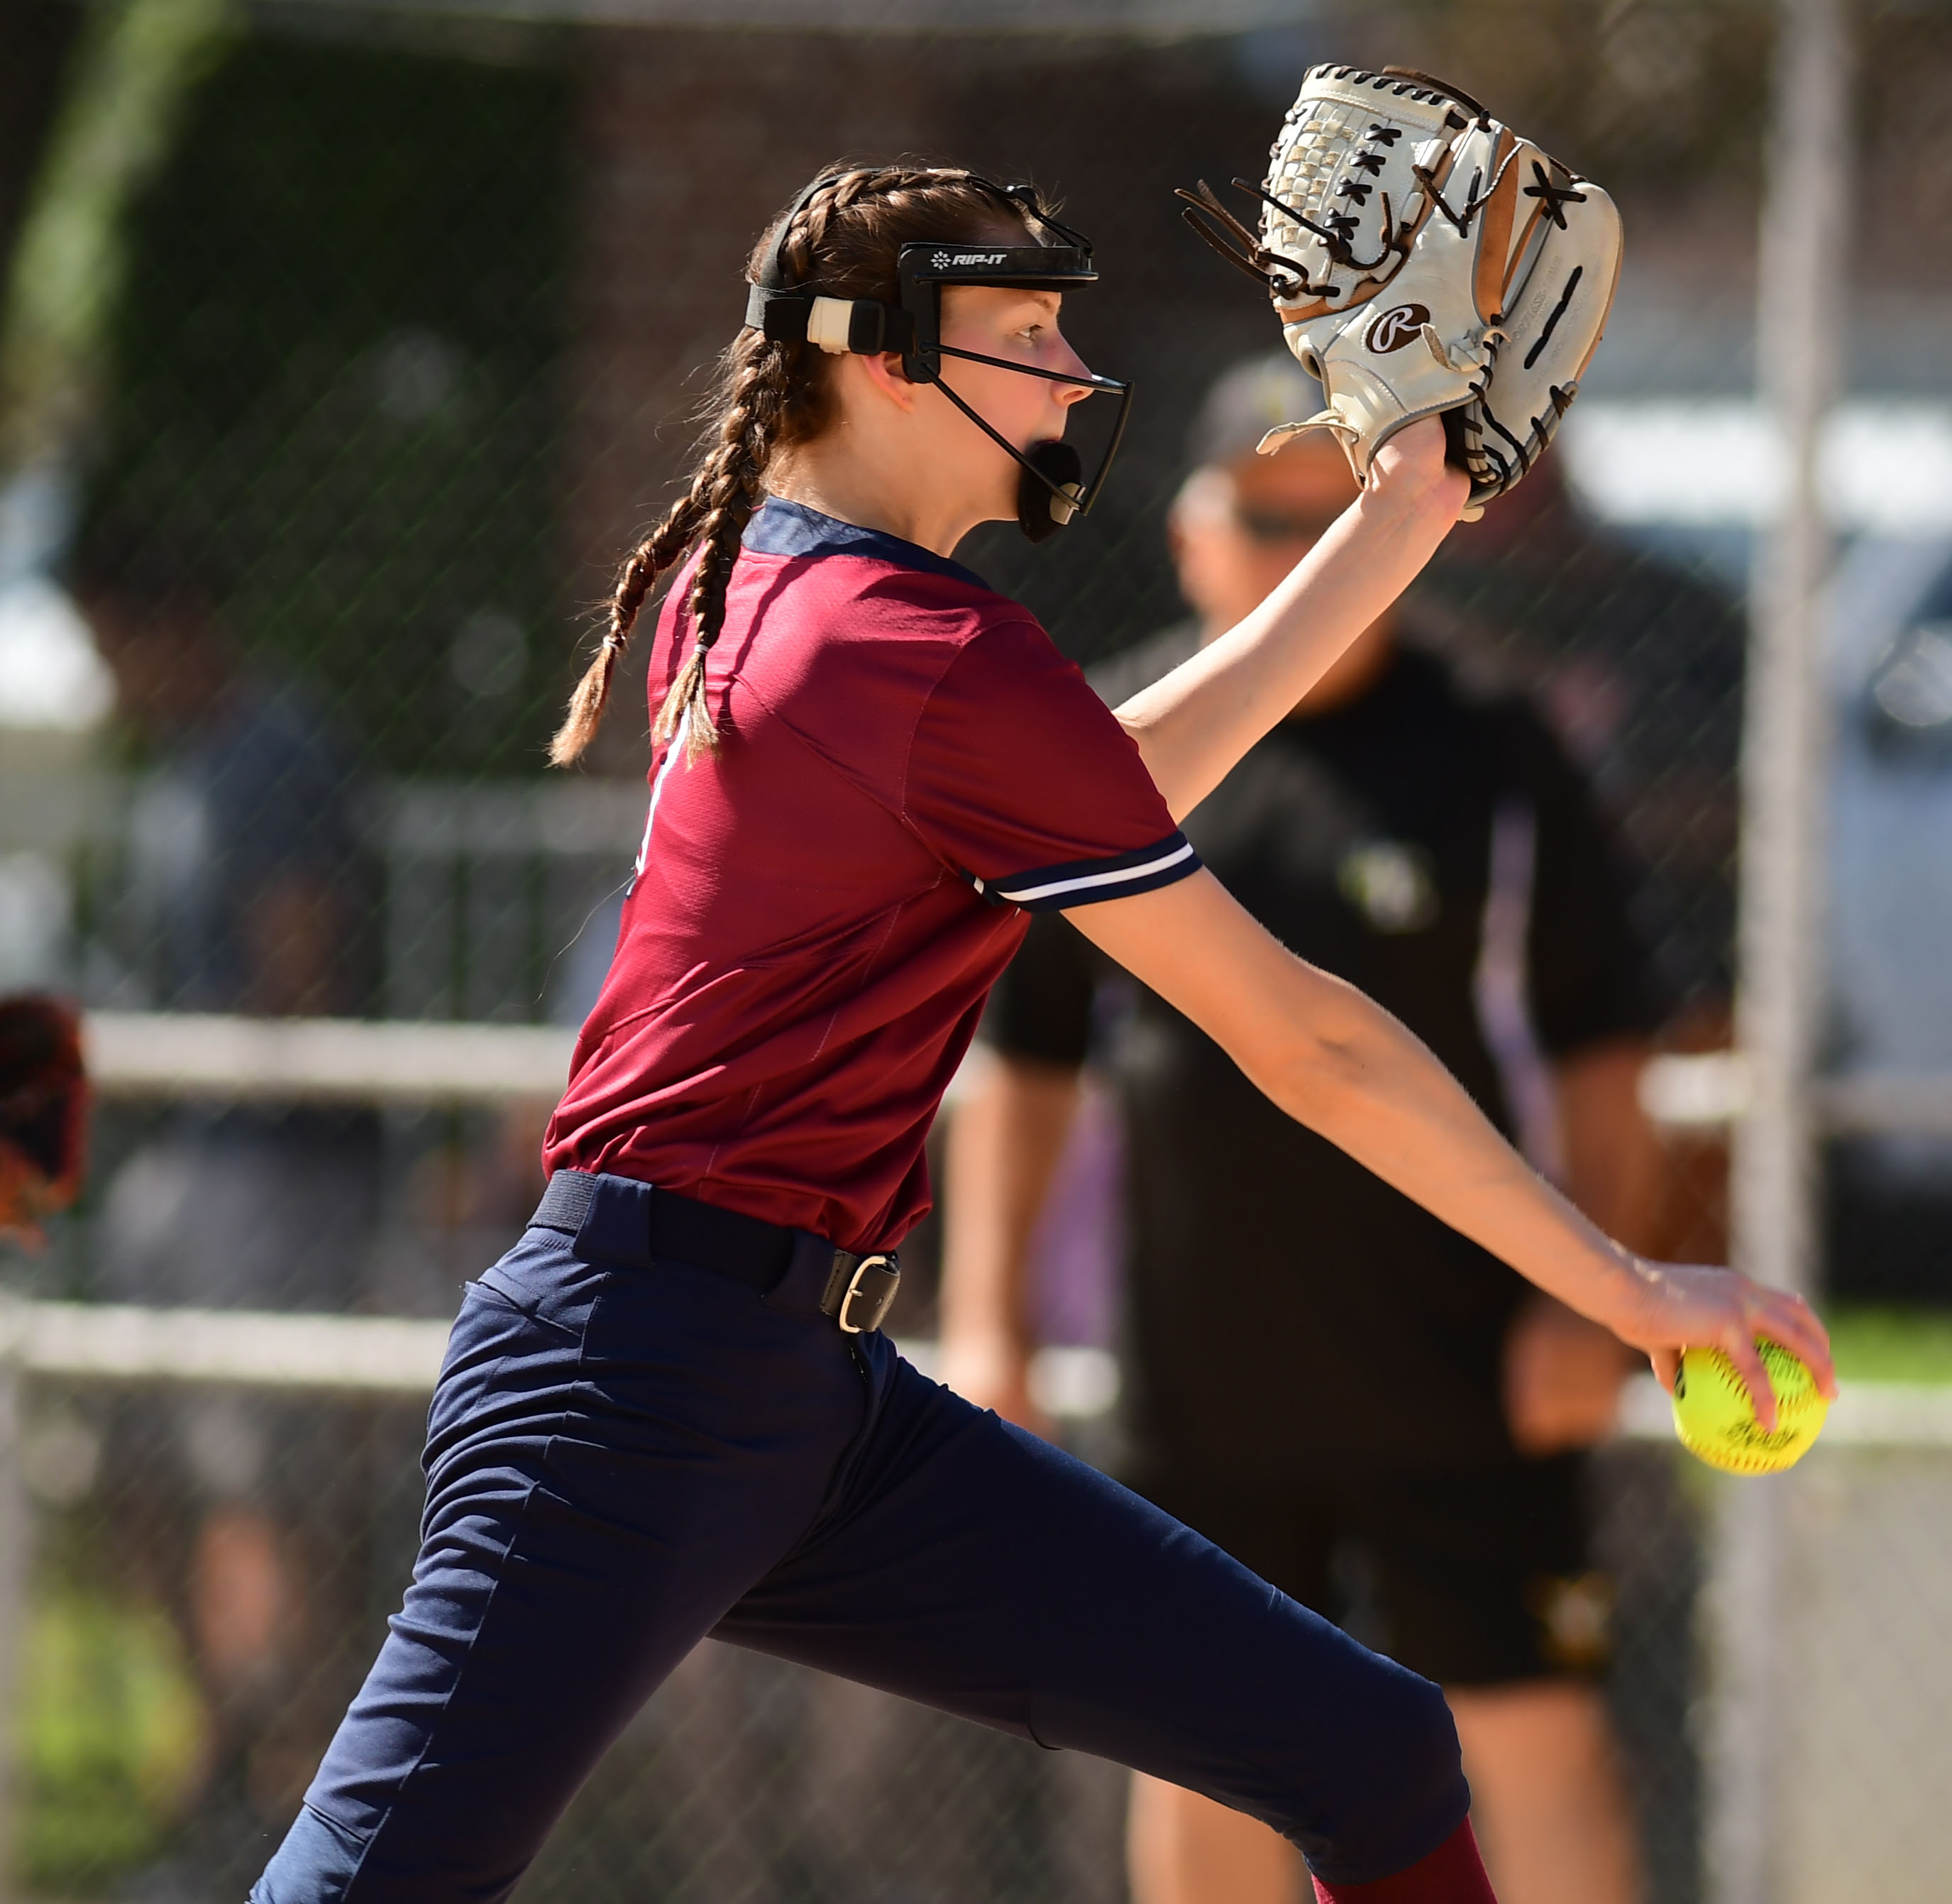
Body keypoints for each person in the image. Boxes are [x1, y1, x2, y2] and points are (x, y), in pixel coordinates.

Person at [248, 163, 1829, 1904]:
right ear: (879, 365)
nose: (1073, 370)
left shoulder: (759, 578)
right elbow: (1303, 1036)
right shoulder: (912, 646)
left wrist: (1389, 524)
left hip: (804, 1391)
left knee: (1360, 1743)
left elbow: (1093, 789)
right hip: (638, 1384)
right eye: (1024, 333)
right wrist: (1626, 1282)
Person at [944, 359, 1664, 1904]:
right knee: (1212, 1773)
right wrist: (987, 1327)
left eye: (1332, 520)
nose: (1292, 556)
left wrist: (1580, 1298)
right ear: (1191, 534)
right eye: (1260, 520)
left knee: (1532, 1755)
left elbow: (1607, 1051)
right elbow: (1029, 1061)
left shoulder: (1495, 749)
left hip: (1464, 1379)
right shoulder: (1109, 755)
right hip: (1204, 1381)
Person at [69, 533, 382, 1891]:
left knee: (265, 1494)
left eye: (116, 644)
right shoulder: (179, 769)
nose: (106, 679)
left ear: (174, 618)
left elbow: (295, 976)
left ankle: (287, 1795)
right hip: (183, 1167)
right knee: (135, 1472)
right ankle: (226, 1761)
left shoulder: (278, 754)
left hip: (280, 1173)